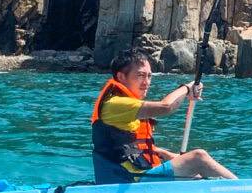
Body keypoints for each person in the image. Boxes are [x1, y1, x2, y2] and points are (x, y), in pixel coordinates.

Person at [90, 48, 238, 184]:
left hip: (135, 176)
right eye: (141, 75)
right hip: (130, 182)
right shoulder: (115, 104)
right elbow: (166, 107)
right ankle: (248, 192)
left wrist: (166, 154)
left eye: (149, 76)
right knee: (198, 157)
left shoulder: (126, 106)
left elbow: (131, 147)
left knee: (196, 176)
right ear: (121, 77)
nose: (146, 82)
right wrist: (187, 88)